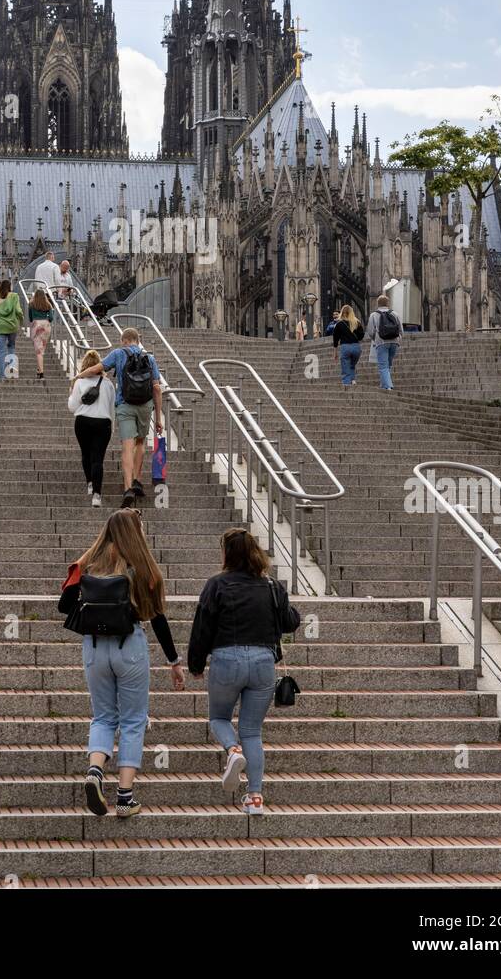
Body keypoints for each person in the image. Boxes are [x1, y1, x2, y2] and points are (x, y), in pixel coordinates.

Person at [58, 509, 184, 818]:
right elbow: (158, 618)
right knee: (132, 720)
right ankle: (125, 796)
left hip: (94, 647)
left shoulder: (89, 564)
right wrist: (174, 661)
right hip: (130, 646)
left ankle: (95, 770)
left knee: (102, 717)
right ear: (135, 533)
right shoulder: (142, 567)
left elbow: (63, 605)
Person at [188, 528, 301, 815]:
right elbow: (290, 622)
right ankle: (254, 799)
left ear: (227, 553)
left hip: (226, 659)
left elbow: (202, 628)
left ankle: (232, 751)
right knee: (252, 731)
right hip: (263, 662)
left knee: (219, 718)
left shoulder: (216, 585)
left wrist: (196, 664)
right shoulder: (272, 586)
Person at [76, 327, 163, 502]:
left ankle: (128, 488)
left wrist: (78, 376)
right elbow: (157, 388)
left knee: (127, 447)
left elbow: (95, 369)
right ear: (137, 341)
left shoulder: (118, 354)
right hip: (145, 406)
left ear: (124, 340)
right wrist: (159, 418)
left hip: (125, 405)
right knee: (140, 442)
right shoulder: (150, 358)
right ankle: (138, 479)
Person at [68, 349, 116, 508]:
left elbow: (73, 407)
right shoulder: (108, 384)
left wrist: (71, 394)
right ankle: (97, 495)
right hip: (103, 423)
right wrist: (112, 427)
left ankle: (89, 482)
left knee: (86, 453)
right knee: (98, 458)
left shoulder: (79, 382)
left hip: (83, 422)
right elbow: (112, 409)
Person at [365, 292, 404, 391]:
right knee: (388, 364)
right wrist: (398, 339)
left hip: (381, 342)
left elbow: (370, 331)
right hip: (394, 342)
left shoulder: (374, 315)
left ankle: (388, 386)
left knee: (383, 366)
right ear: (388, 303)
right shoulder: (395, 313)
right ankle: (383, 385)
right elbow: (401, 330)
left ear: (378, 304)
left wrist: (375, 339)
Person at [0, 280, 24, 380]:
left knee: (1, 352)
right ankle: (11, 373)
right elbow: (18, 310)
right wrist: (21, 320)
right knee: (12, 347)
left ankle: (2, 376)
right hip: (12, 325)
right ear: (10, 287)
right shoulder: (14, 296)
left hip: (0, 326)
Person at [332, 304, 364, 387]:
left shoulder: (339, 324)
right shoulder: (357, 322)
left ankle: (347, 384)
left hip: (345, 347)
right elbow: (361, 336)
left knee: (346, 367)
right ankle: (353, 379)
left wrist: (335, 352)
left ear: (342, 313)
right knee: (352, 365)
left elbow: (335, 339)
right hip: (356, 347)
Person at [28, 287, 54, 381]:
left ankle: (41, 374)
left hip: (36, 326)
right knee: (41, 350)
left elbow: (30, 318)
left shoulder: (31, 304)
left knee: (39, 351)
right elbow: (51, 318)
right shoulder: (48, 304)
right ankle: (38, 371)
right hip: (46, 326)